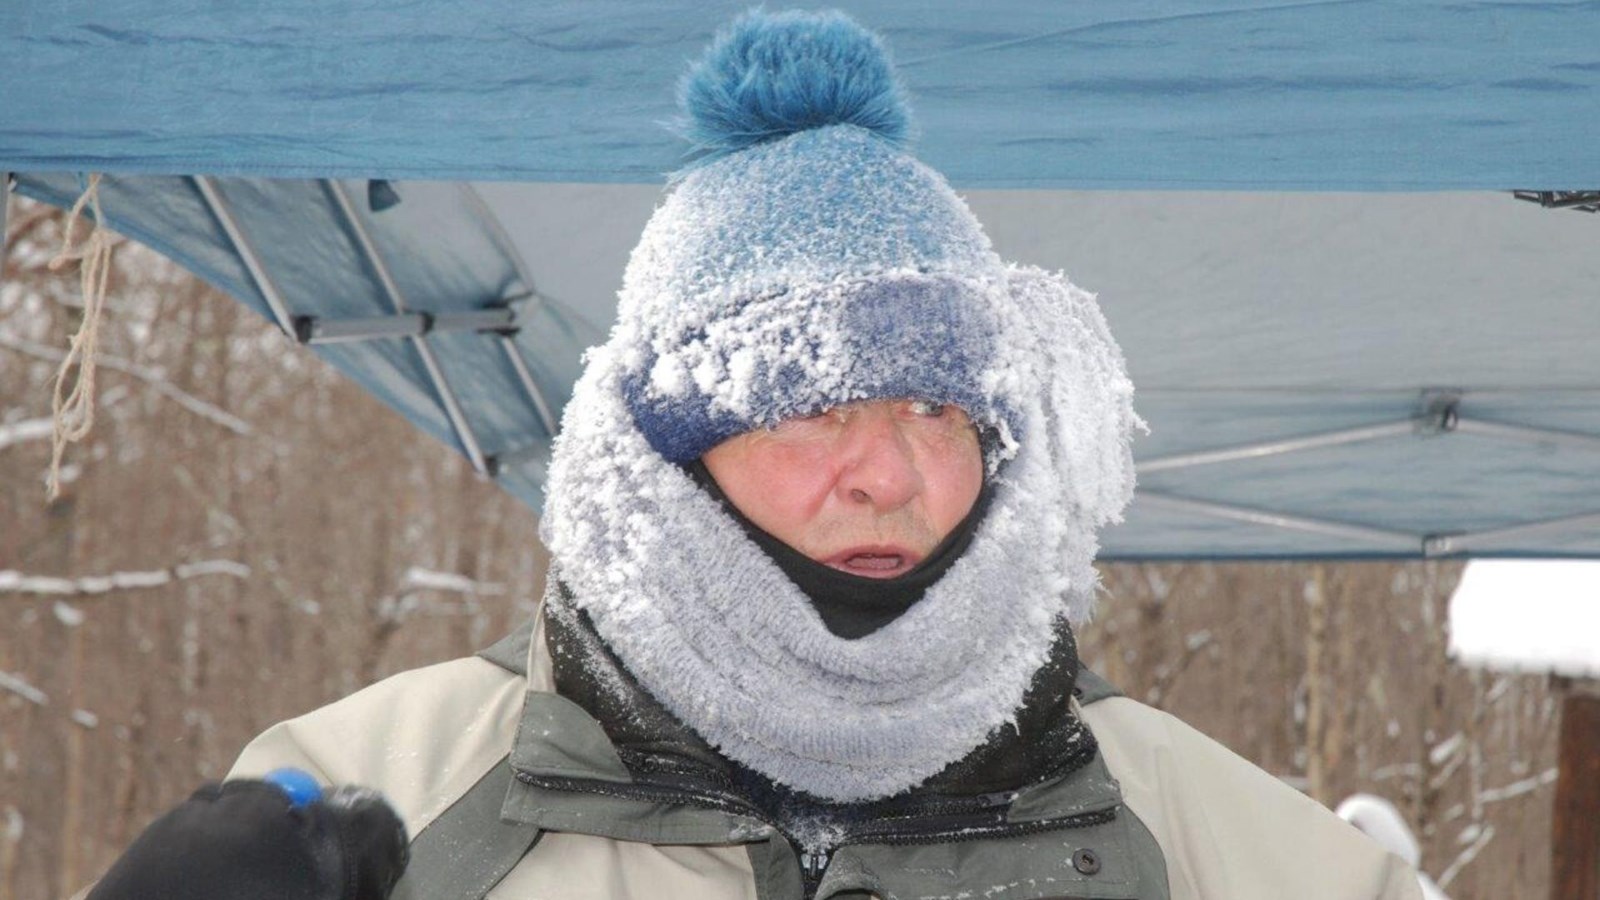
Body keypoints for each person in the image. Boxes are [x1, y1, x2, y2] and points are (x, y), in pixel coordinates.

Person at [84, 10, 1423, 900]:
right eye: (814, 407)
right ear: (669, 449)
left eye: (939, 412)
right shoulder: (390, 799)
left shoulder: (1194, 835)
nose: (891, 472)